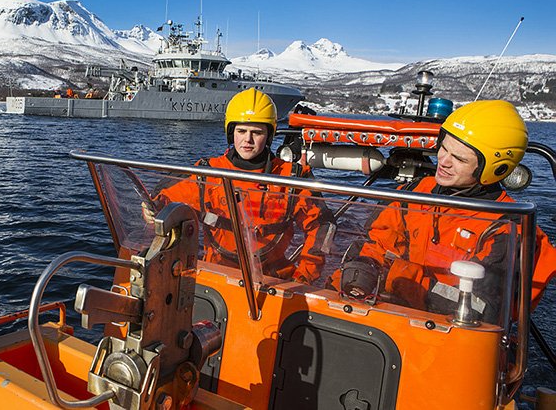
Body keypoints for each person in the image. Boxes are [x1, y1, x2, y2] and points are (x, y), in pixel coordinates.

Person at [335, 100, 556, 321]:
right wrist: (359, 272)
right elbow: (376, 244)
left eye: (459, 158)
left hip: (452, 331)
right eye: (443, 147)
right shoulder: (413, 194)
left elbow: (482, 309)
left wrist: (398, 277)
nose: (443, 160)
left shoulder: (506, 227)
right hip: (391, 316)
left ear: (494, 168)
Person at [145, 88, 334, 283]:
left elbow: (322, 227)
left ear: (269, 135)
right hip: (217, 278)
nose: (247, 140)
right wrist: (153, 208)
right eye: (241, 131)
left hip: (273, 282)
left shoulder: (290, 178)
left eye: (257, 132)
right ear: (231, 132)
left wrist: (303, 277)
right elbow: (163, 196)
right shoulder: (208, 173)